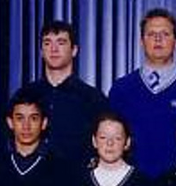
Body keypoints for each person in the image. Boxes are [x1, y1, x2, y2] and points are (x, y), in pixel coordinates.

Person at [109, 7, 176, 178]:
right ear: (141, 41)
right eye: (151, 34)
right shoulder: (121, 90)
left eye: (165, 34)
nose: (158, 39)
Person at [19, 20, 110, 169]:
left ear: (74, 50)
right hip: (32, 184)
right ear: (41, 51)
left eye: (61, 43)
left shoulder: (93, 98)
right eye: (47, 43)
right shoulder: (26, 95)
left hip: (76, 185)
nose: (53, 49)